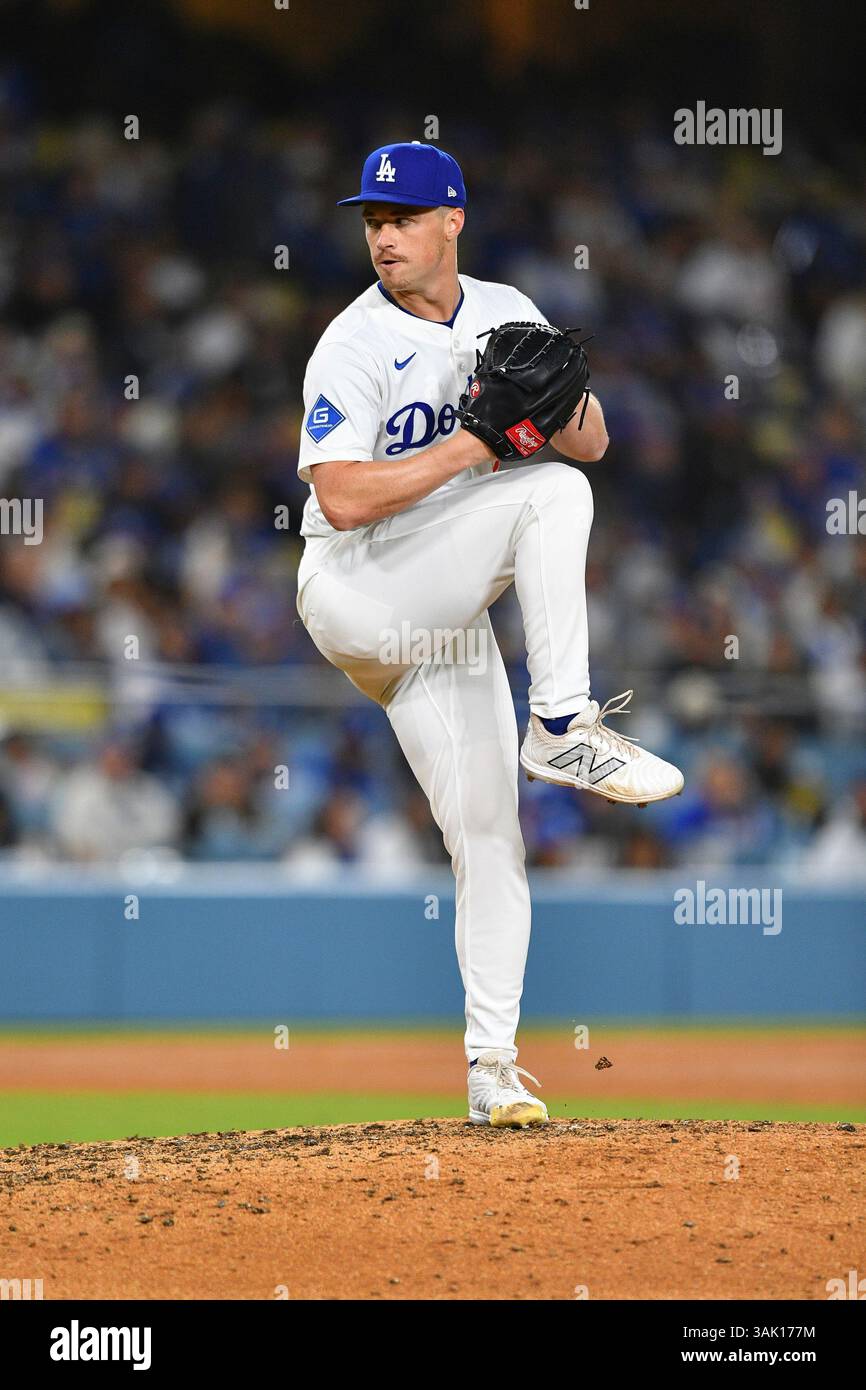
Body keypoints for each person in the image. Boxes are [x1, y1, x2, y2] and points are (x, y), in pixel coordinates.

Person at [295, 142, 683, 1127]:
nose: (383, 236)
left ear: (451, 221)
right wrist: (477, 439)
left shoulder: (506, 309)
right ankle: (558, 720)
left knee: (488, 838)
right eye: (372, 221)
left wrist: (554, 395)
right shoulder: (350, 342)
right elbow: (338, 497)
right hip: (357, 588)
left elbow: (590, 438)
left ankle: (490, 1069)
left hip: (445, 610)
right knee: (544, 494)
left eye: (402, 218)